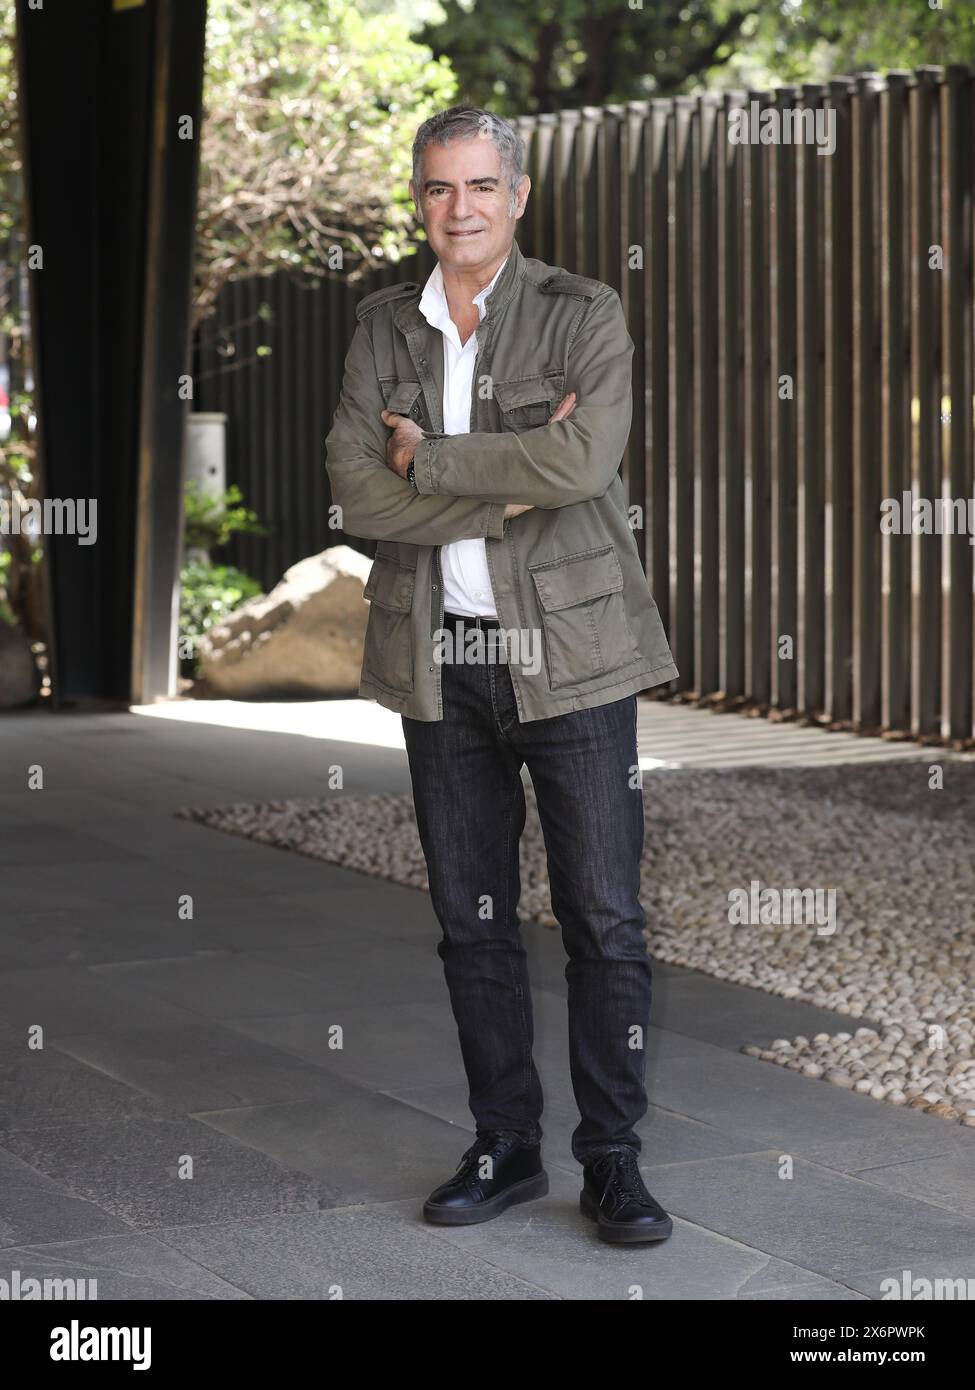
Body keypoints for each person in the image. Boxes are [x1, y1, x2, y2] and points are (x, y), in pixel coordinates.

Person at [325, 105, 679, 1244]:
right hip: (443, 657)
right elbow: (357, 494)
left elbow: (584, 458)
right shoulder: (383, 327)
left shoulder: (585, 314)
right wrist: (506, 481)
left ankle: (614, 1160)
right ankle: (505, 1143)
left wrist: (429, 458)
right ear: (418, 200)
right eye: (437, 189)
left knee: (605, 918)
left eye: (480, 187)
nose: (459, 209)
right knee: (471, 920)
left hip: (571, 658)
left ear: (517, 197)